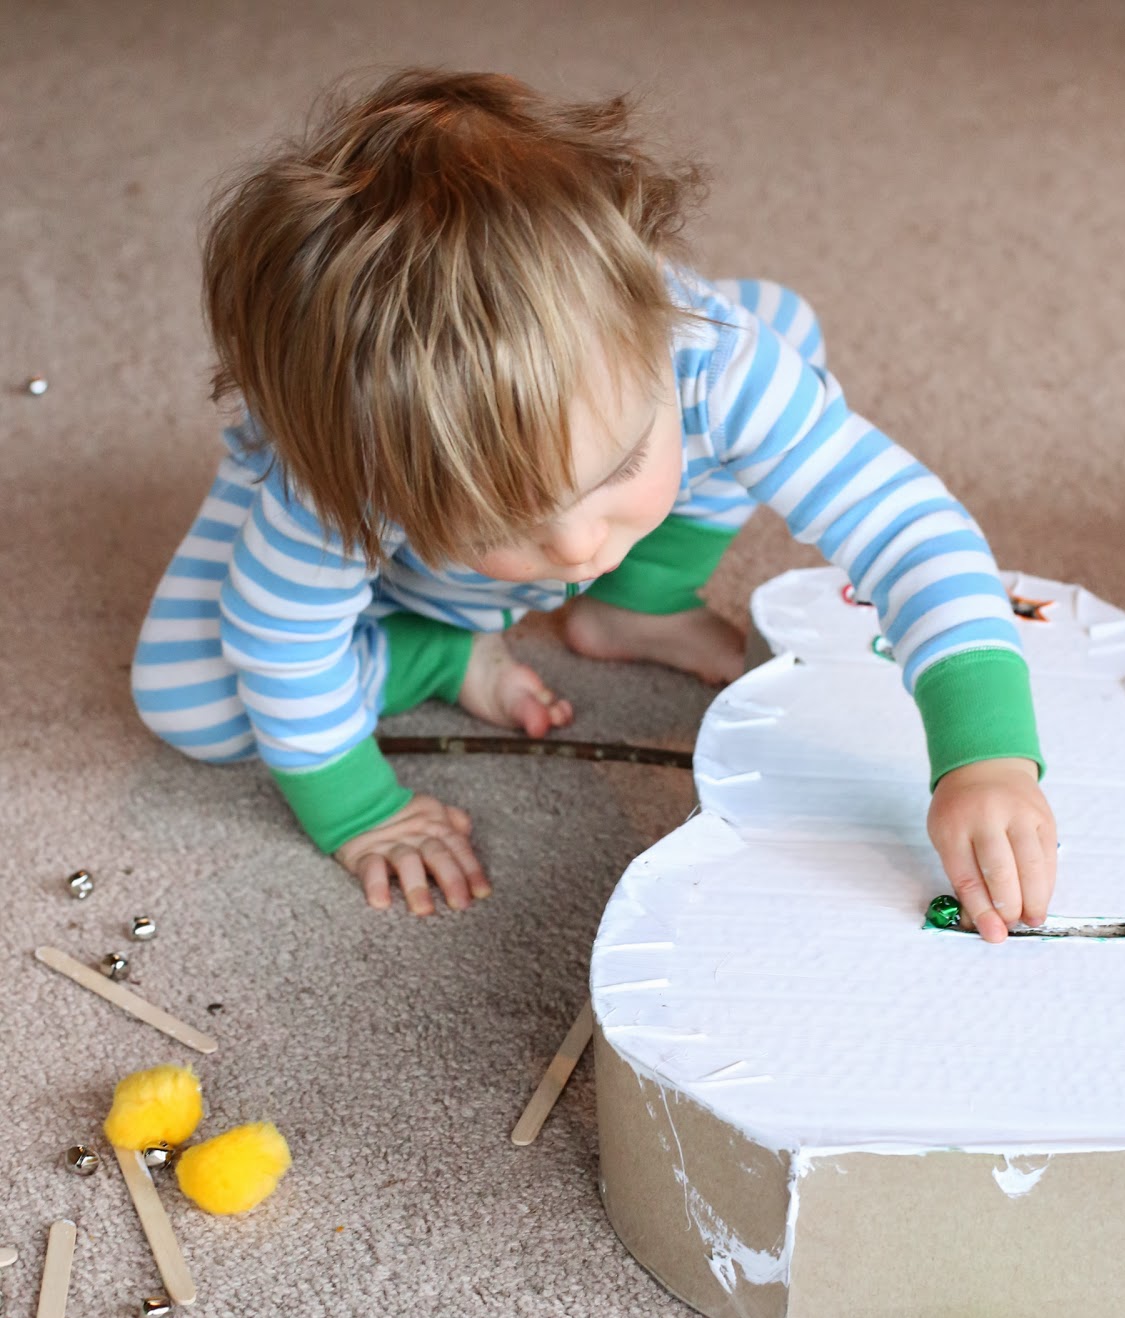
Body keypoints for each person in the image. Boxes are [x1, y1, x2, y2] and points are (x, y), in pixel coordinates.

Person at [132, 67, 1056, 942]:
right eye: (505, 521)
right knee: (192, 705)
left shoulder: (706, 362)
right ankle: (437, 649)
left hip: (673, 382)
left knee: (773, 346)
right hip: (392, 565)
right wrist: (362, 812)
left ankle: (639, 605)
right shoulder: (349, 463)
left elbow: (904, 528)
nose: (578, 548)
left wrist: (987, 755)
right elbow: (281, 638)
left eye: (618, 467)